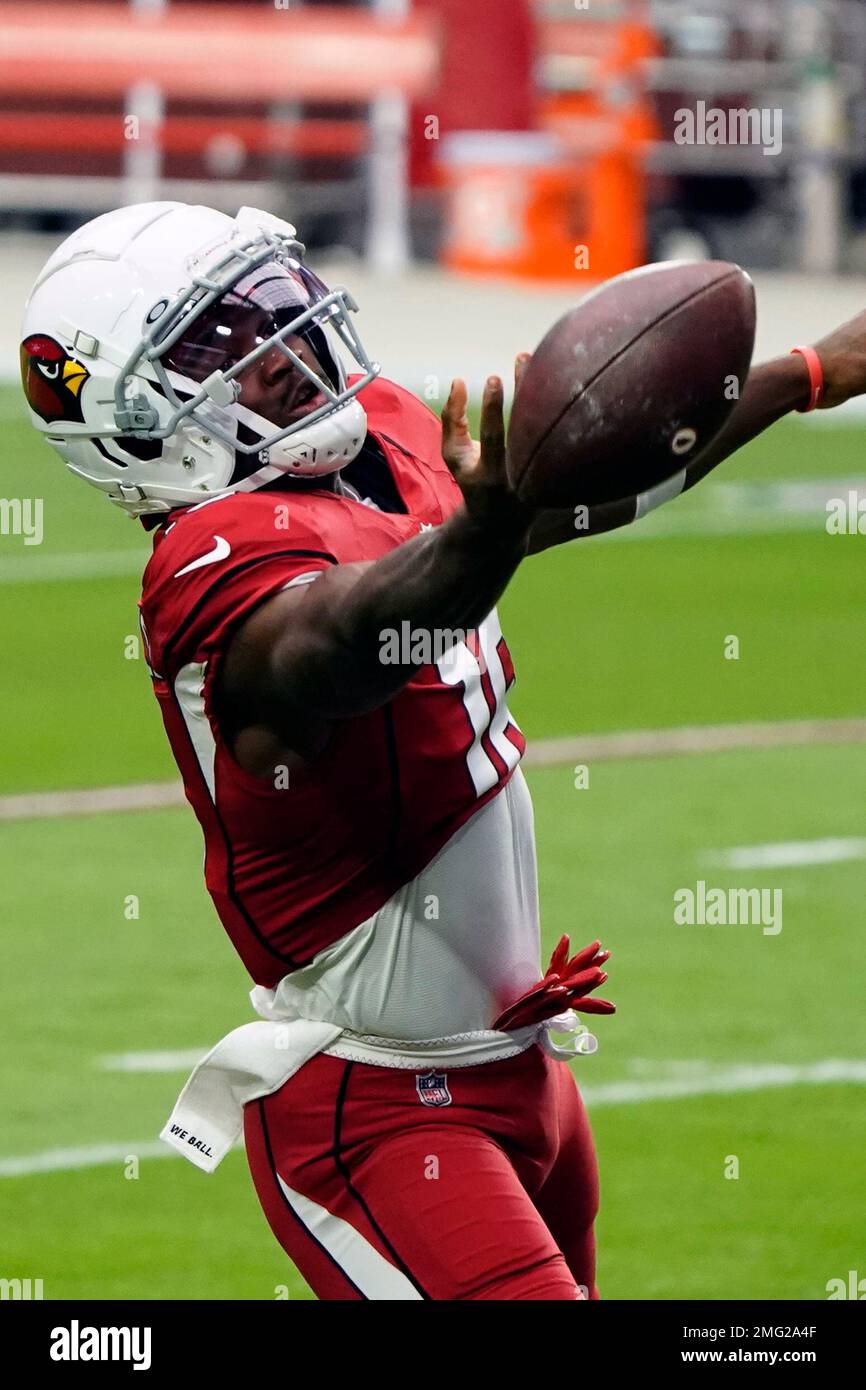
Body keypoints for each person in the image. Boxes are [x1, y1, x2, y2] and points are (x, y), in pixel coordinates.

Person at [20, 201, 866, 1300]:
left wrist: (808, 372)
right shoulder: (208, 566)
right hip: (372, 1111)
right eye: (217, 343)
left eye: (266, 306)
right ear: (137, 421)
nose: (280, 344)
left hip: (517, 1070)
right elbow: (349, 641)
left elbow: (568, 490)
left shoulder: (374, 435)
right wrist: (481, 529)